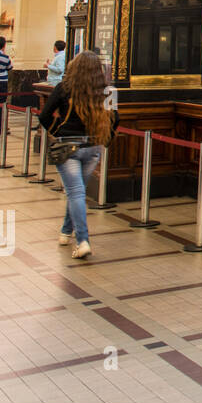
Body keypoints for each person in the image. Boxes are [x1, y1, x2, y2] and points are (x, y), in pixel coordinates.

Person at [39, 51, 118, 260]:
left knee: (75, 193)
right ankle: (66, 231)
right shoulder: (109, 90)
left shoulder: (64, 87)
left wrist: (58, 132)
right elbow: (115, 119)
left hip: (68, 147)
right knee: (78, 192)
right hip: (93, 147)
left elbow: (44, 115)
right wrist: (105, 139)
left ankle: (83, 240)